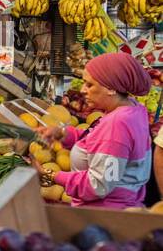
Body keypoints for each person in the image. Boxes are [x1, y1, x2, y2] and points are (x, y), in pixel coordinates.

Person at [37, 50, 153, 209]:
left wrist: (50, 176)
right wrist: (63, 134)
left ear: (111, 88)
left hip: (105, 213)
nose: (83, 90)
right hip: (121, 206)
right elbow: (97, 137)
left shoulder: (117, 124)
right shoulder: (133, 108)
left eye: (89, 84)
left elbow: (98, 185)